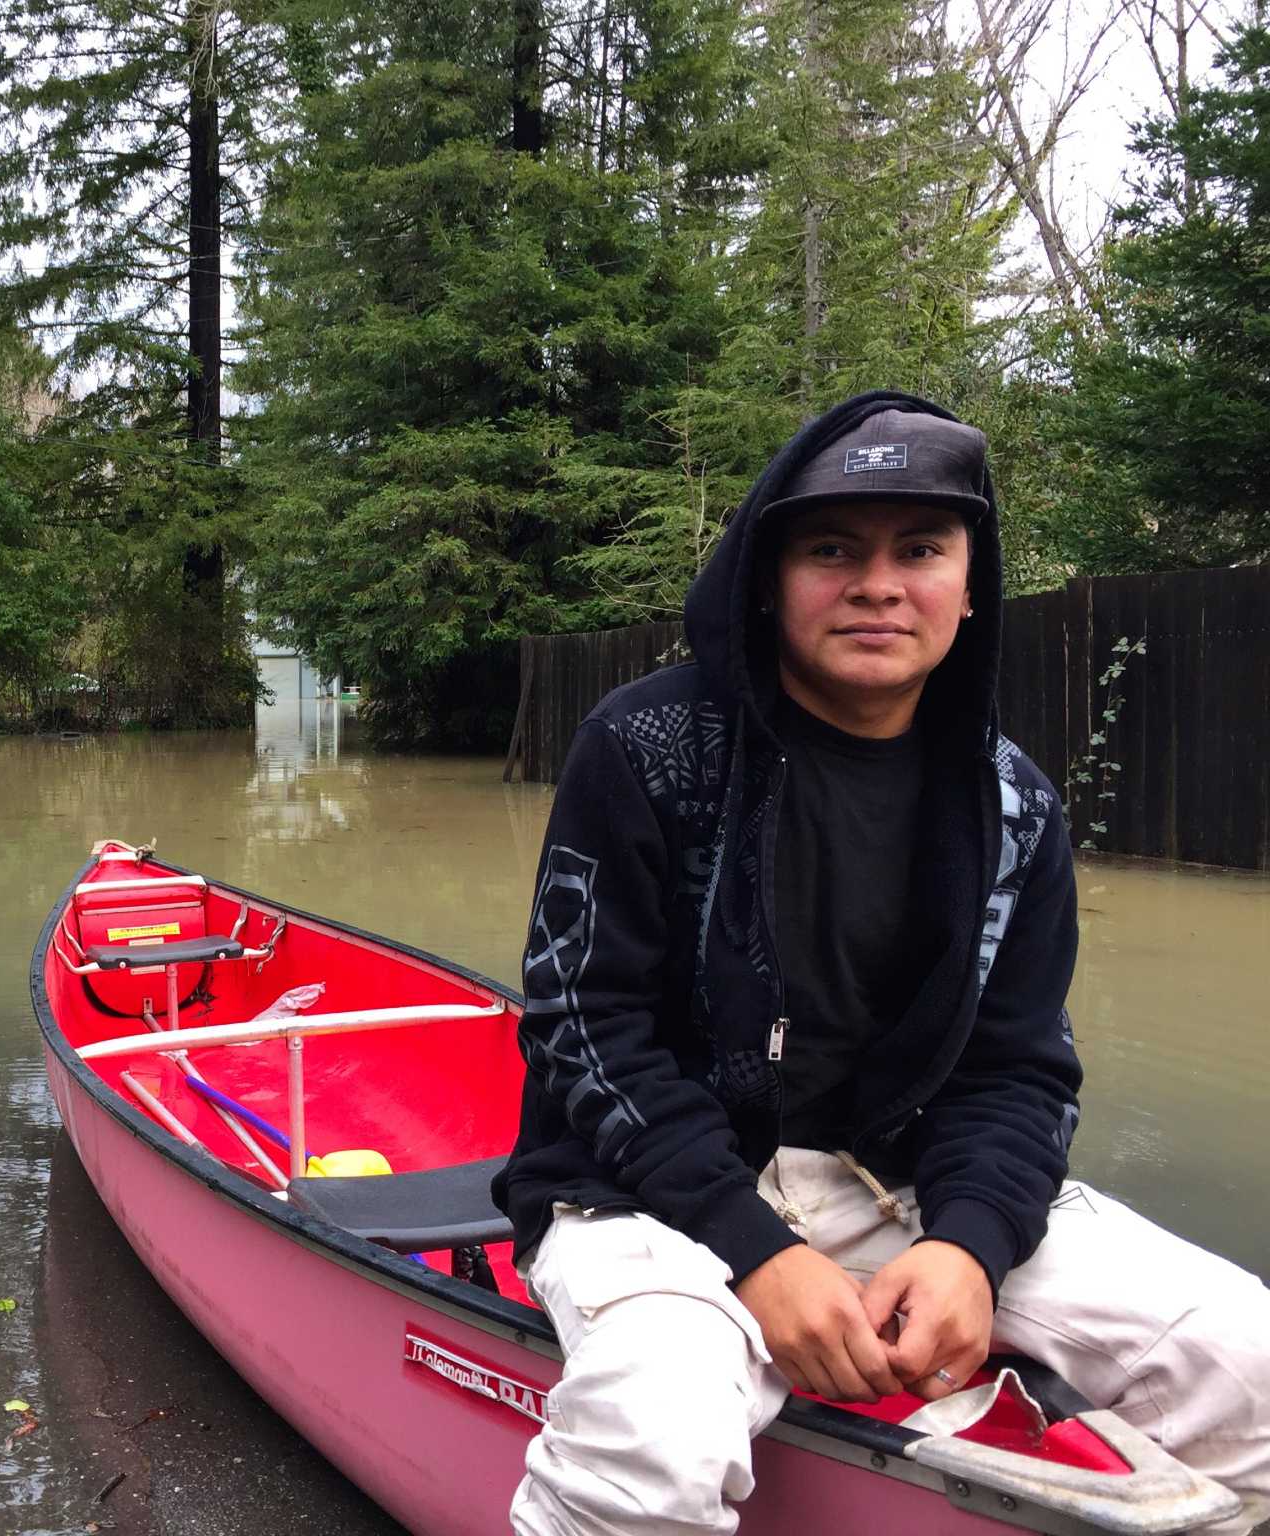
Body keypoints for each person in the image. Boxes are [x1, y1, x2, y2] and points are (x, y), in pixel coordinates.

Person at [494, 390, 1270, 1536]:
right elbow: (580, 1024)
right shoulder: (644, 744)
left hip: (890, 1180)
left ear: (968, 585)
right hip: (642, 1190)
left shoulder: (1014, 806)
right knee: (652, 1433)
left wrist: (967, 1244)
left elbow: (1014, 1072)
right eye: (829, 550)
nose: (875, 583)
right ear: (769, 576)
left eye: (919, 549)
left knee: (1243, 1359)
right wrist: (755, 1252)